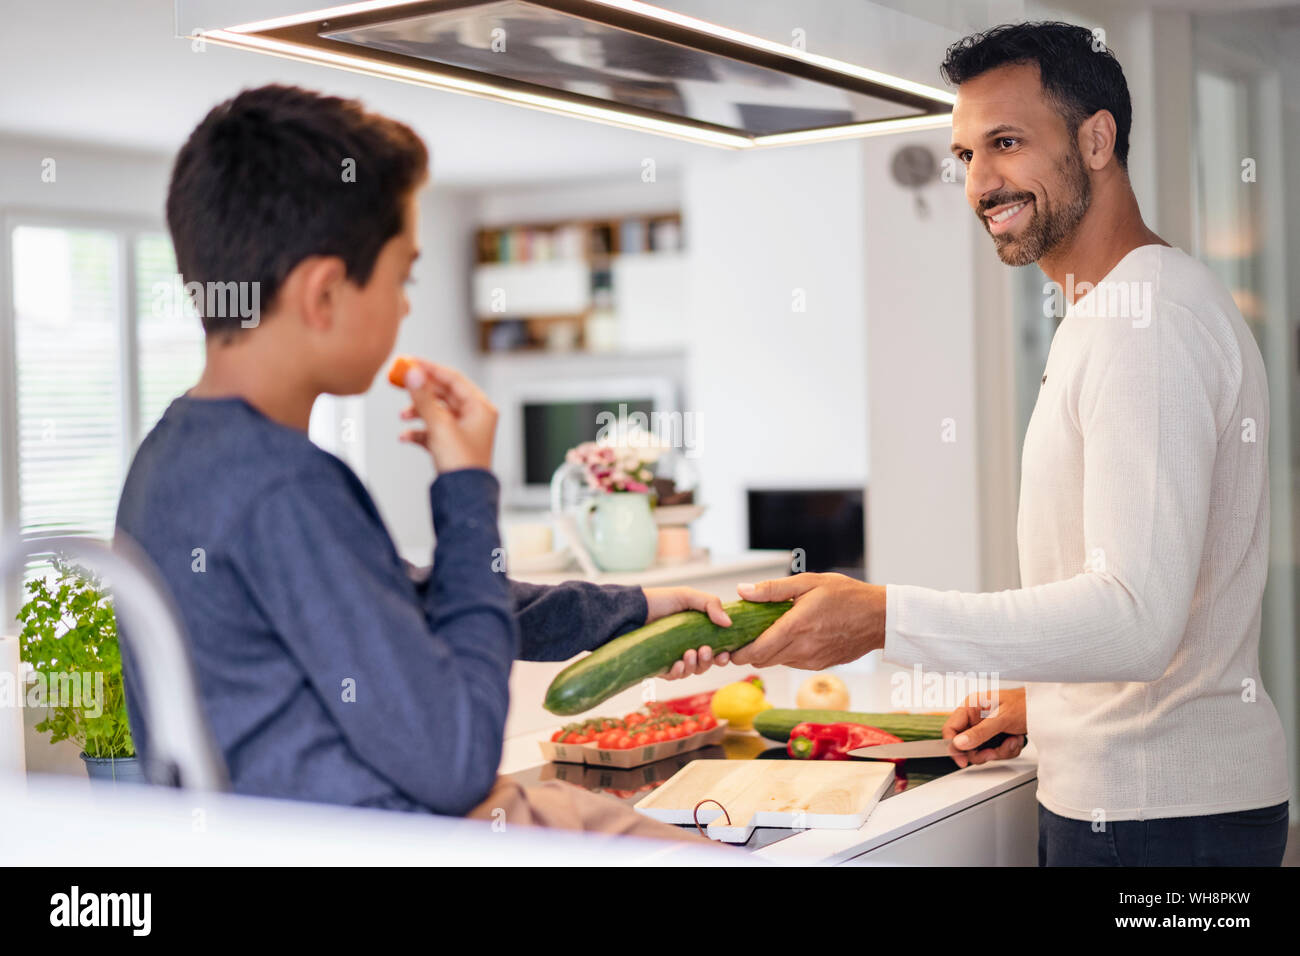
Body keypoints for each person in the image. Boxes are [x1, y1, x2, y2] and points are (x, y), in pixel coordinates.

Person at [721, 22, 1291, 866]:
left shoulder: (1147, 324)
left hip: (1161, 821)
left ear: (1097, 140)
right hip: (1142, 802)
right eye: (965, 156)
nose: (980, 183)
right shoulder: (1113, 313)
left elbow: (1136, 615)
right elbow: (1158, 615)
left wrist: (885, 617)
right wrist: (1043, 704)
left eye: (1007, 143)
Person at [114, 84, 725, 843]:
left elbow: (418, 604)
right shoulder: (287, 483)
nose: (406, 306)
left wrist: (629, 613)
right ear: (326, 293)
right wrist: (465, 488)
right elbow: (458, 762)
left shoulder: (174, 457)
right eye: (403, 276)